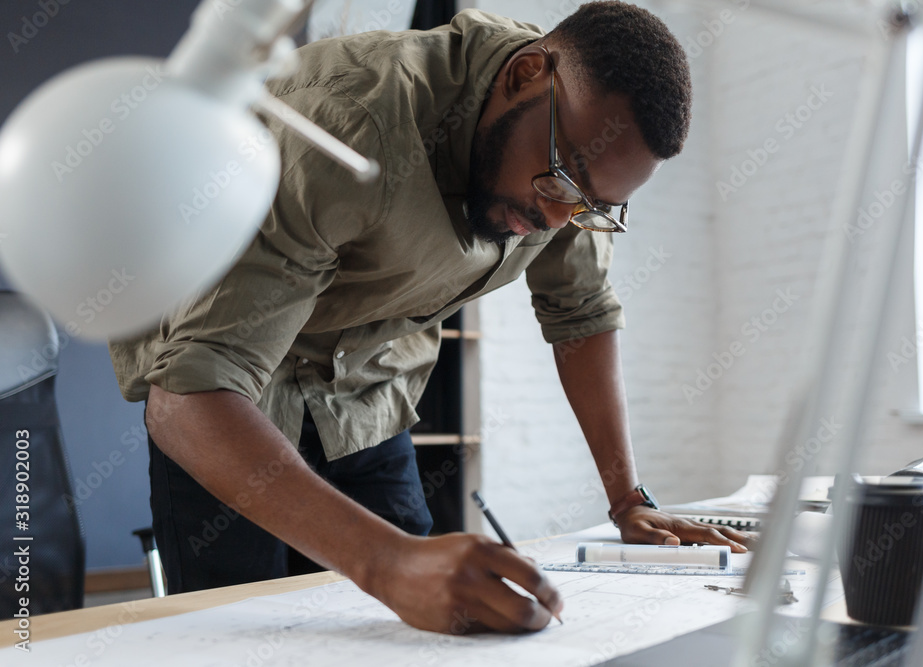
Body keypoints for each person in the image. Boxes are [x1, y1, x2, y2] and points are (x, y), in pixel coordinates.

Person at [109, 0, 752, 635]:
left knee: (414, 630)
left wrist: (627, 501)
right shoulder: (346, 124)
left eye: (589, 206)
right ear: (524, 75)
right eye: (560, 180)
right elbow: (189, 397)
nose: (559, 219)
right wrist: (384, 562)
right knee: (235, 633)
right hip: (232, 402)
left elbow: (579, 312)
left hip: (366, 391)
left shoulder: (575, 163)